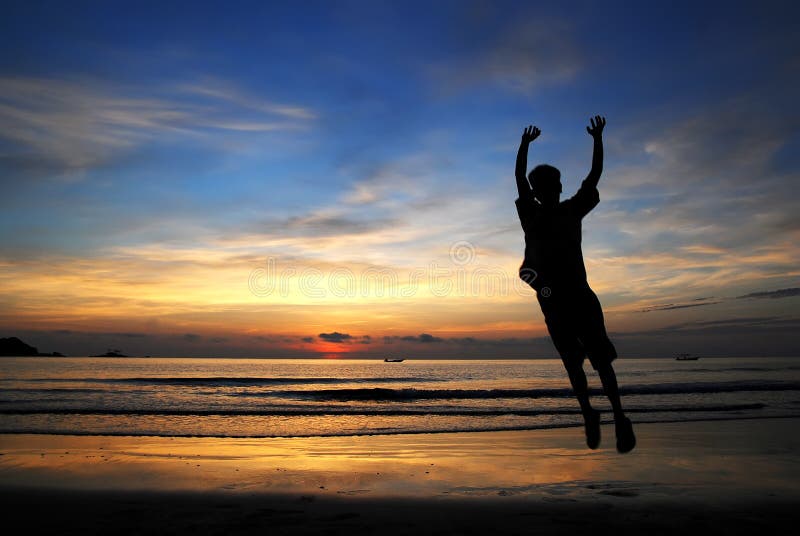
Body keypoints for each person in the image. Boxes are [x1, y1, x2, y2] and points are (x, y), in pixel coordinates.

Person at [515, 116, 635, 453]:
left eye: (553, 186)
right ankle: (588, 414)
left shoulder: (571, 210)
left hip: (580, 298)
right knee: (573, 364)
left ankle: (619, 417)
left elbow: (594, 175)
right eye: (543, 187)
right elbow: (520, 180)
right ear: (538, 192)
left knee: (601, 362)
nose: (550, 191)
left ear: (559, 188)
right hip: (553, 300)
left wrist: (597, 139)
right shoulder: (531, 214)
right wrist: (524, 145)